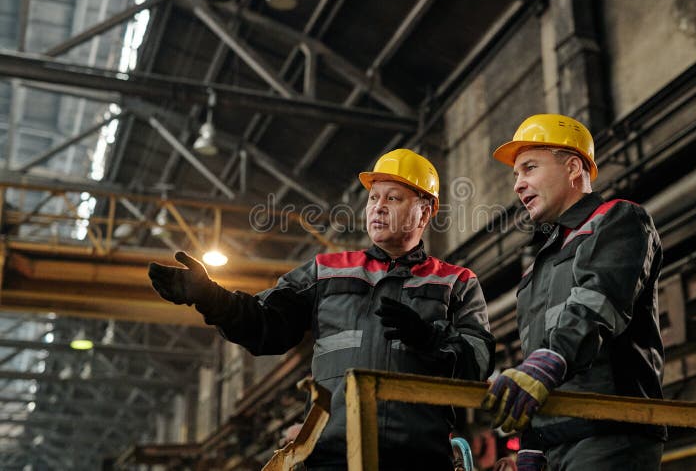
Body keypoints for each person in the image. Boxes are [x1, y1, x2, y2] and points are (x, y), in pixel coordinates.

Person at [148, 148, 495, 471]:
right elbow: (265, 326)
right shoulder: (326, 272)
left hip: (419, 462)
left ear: (426, 210)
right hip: (331, 459)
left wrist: (429, 338)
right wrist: (211, 298)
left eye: (393, 198)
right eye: (373, 197)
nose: (378, 207)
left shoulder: (456, 282)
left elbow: (477, 363)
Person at [482, 114, 665, 470]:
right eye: (516, 174)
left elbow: (598, 303)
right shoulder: (537, 268)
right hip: (555, 442)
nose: (518, 185)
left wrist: (545, 366)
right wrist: (532, 446)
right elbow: (536, 361)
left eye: (529, 167)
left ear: (572, 167)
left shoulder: (617, 220)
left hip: (610, 431)